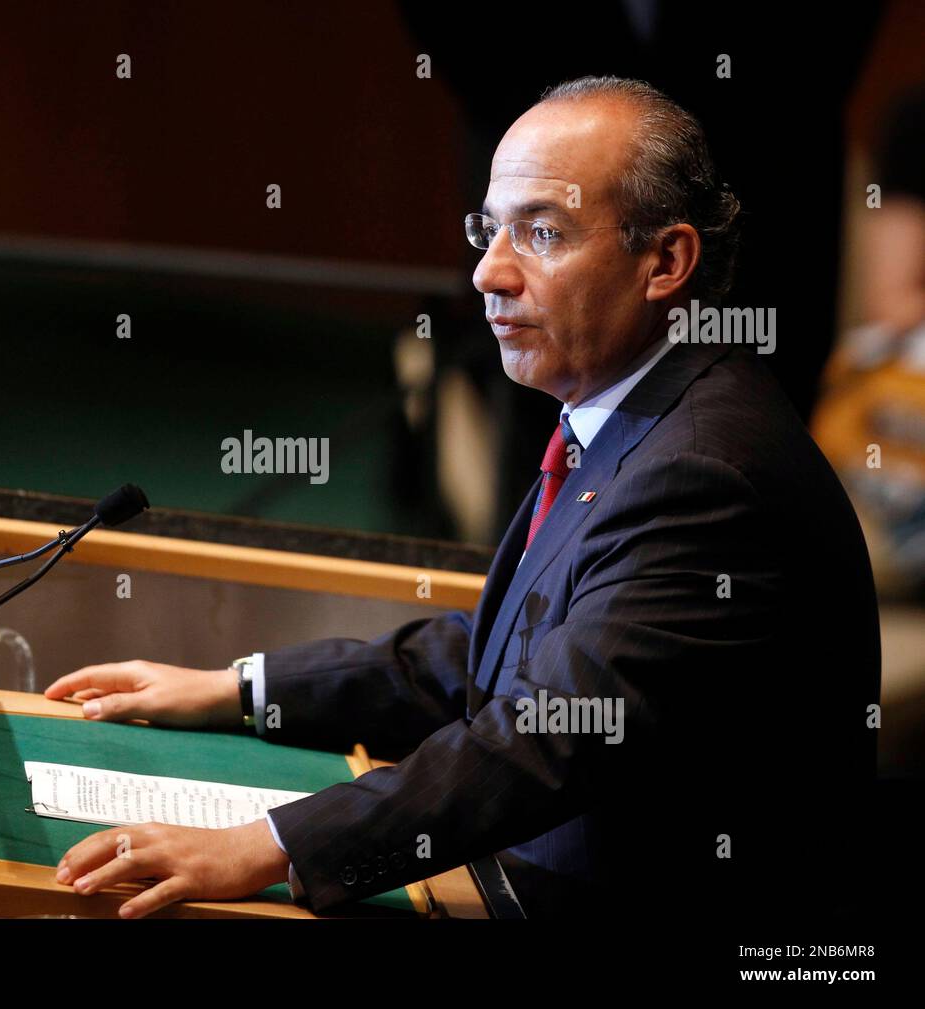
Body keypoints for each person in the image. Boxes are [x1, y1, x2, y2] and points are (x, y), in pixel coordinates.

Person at [44, 76, 881, 919]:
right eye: (489, 230)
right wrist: (237, 688)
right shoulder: (635, 410)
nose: (489, 272)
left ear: (665, 262)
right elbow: (501, 653)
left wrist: (262, 846)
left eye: (542, 233)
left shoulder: (702, 471)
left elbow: (542, 737)